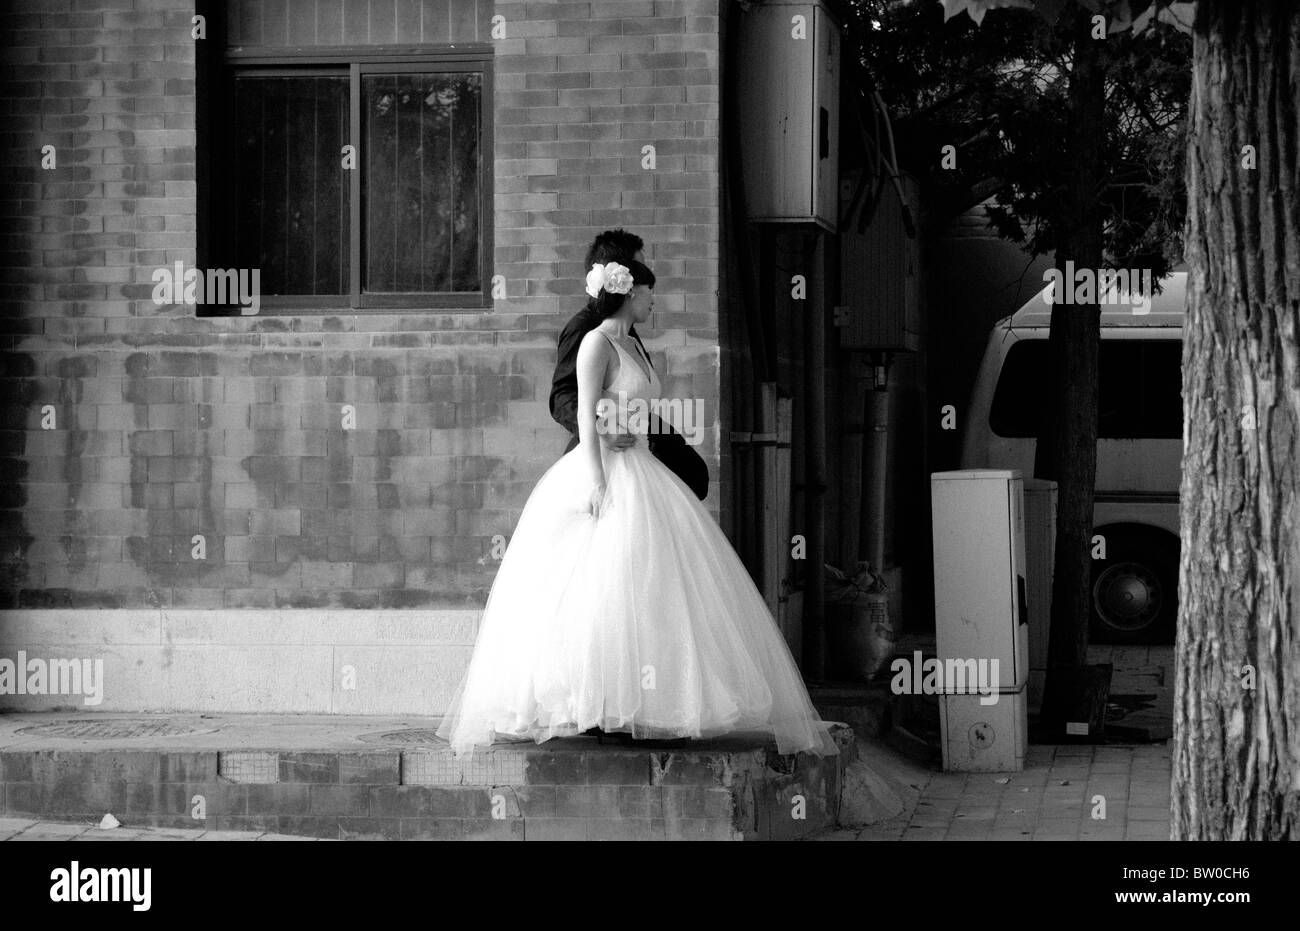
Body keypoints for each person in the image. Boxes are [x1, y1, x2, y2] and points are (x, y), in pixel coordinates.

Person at [435, 257, 837, 759]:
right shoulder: (595, 342)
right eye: (648, 292)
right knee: (602, 584)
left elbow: (639, 406)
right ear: (628, 293)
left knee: (649, 583)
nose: (653, 300)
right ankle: (597, 704)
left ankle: (643, 701)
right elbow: (581, 410)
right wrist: (597, 478)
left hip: (644, 467)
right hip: (604, 470)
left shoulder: (632, 344)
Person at [549, 229, 709, 500]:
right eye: (640, 267)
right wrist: (603, 426)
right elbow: (562, 395)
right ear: (626, 279)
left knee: (694, 475)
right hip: (607, 448)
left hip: (639, 435)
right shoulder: (585, 330)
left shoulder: (626, 331)